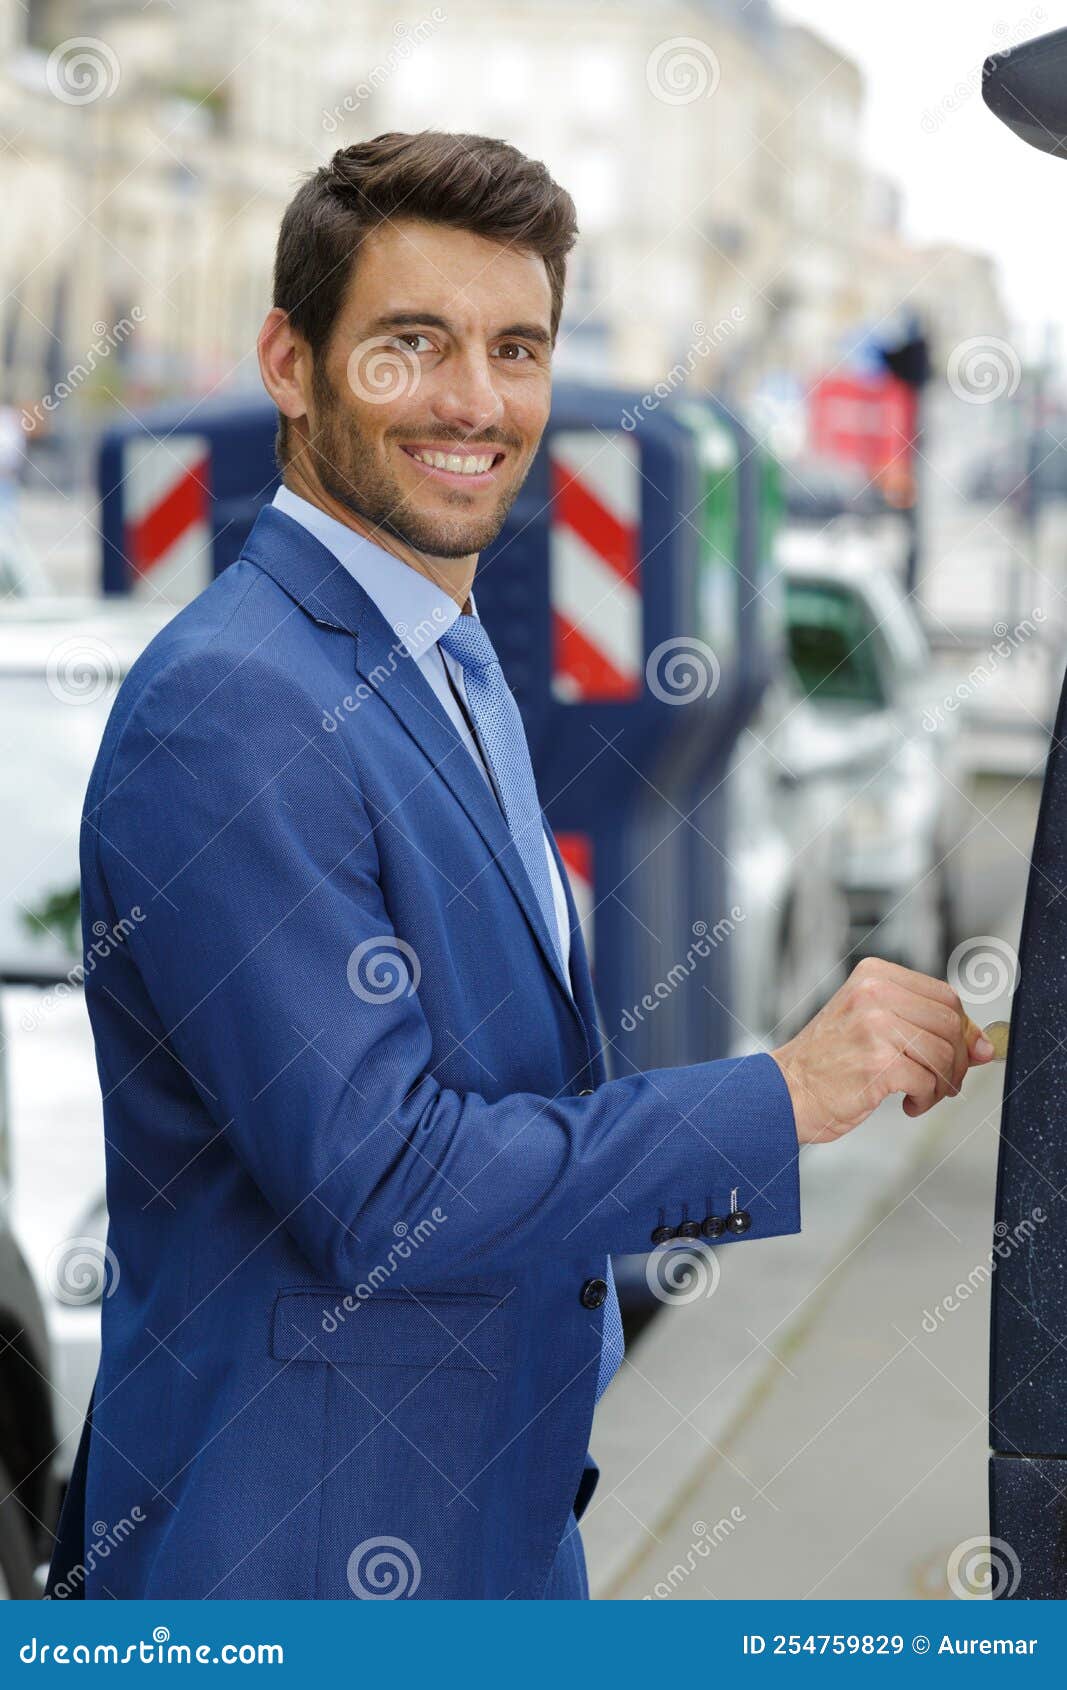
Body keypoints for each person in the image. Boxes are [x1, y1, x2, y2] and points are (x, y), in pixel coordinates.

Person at [45, 131, 994, 1602]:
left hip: (477, 1531)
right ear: (290, 363)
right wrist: (780, 1095)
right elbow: (386, 1182)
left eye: (517, 347)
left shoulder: (442, 653)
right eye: (409, 346)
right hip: (298, 1557)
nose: (475, 401)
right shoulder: (235, 700)